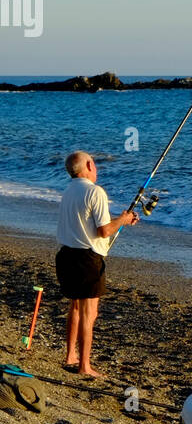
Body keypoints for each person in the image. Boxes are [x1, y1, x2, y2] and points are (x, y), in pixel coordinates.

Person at [55, 150, 139, 377]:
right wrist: (123, 219)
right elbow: (103, 232)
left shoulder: (68, 191)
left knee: (75, 307)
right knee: (89, 313)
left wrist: (122, 220)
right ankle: (84, 366)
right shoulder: (95, 192)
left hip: (66, 255)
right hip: (87, 259)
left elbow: (89, 227)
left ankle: (70, 356)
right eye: (95, 163)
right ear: (89, 165)